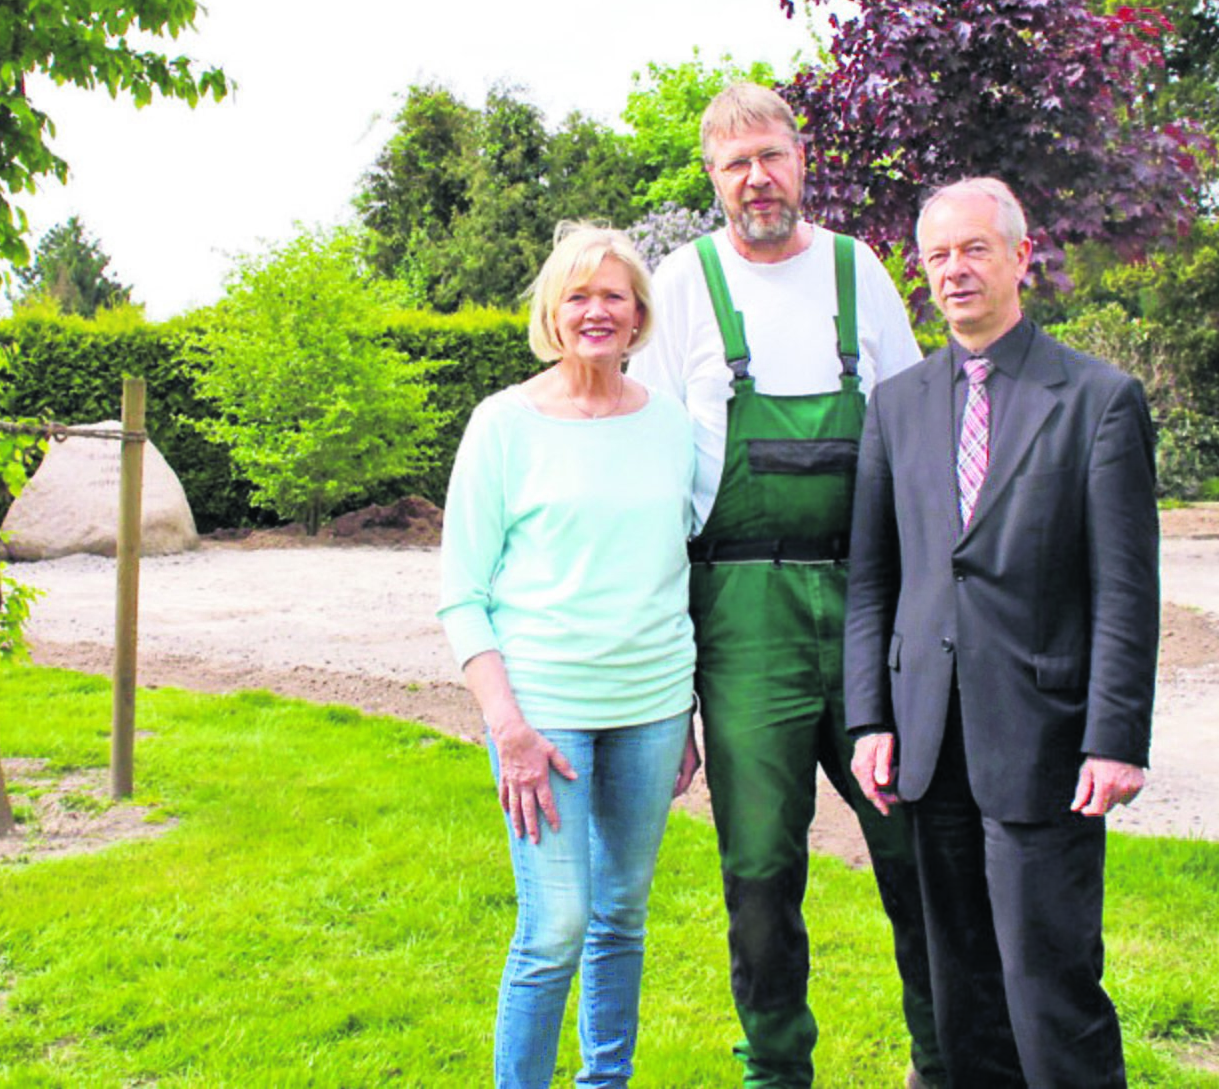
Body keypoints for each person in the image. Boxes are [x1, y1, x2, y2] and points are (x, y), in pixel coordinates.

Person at [628, 82, 945, 1089]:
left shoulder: (860, 276)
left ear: (799, 158)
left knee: (913, 854)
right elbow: (649, 481)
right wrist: (668, 686)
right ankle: (775, 1070)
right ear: (711, 178)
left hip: (868, 609)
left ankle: (945, 1061)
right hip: (742, 615)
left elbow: (919, 448)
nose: (755, 179)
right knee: (759, 870)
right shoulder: (680, 285)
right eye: (733, 164)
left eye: (769, 155)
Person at [844, 176, 1160, 1088]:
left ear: (1024, 257)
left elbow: (1127, 592)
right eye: (937, 256)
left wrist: (1114, 738)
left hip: (1046, 742)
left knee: (1050, 987)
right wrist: (871, 718)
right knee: (962, 995)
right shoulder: (895, 405)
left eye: (975, 249)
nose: (954, 271)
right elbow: (875, 579)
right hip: (928, 744)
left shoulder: (1098, 400)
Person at [440, 223, 703, 1089]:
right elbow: (462, 592)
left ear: (638, 317)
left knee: (621, 914)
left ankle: (605, 1081)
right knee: (554, 923)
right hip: (542, 713)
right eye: (579, 295)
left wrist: (688, 712)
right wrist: (505, 725)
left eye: (613, 296)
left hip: (653, 707)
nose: (596, 311)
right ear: (553, 311)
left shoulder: (675, 428)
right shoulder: (503, 425)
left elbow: (678, 568)